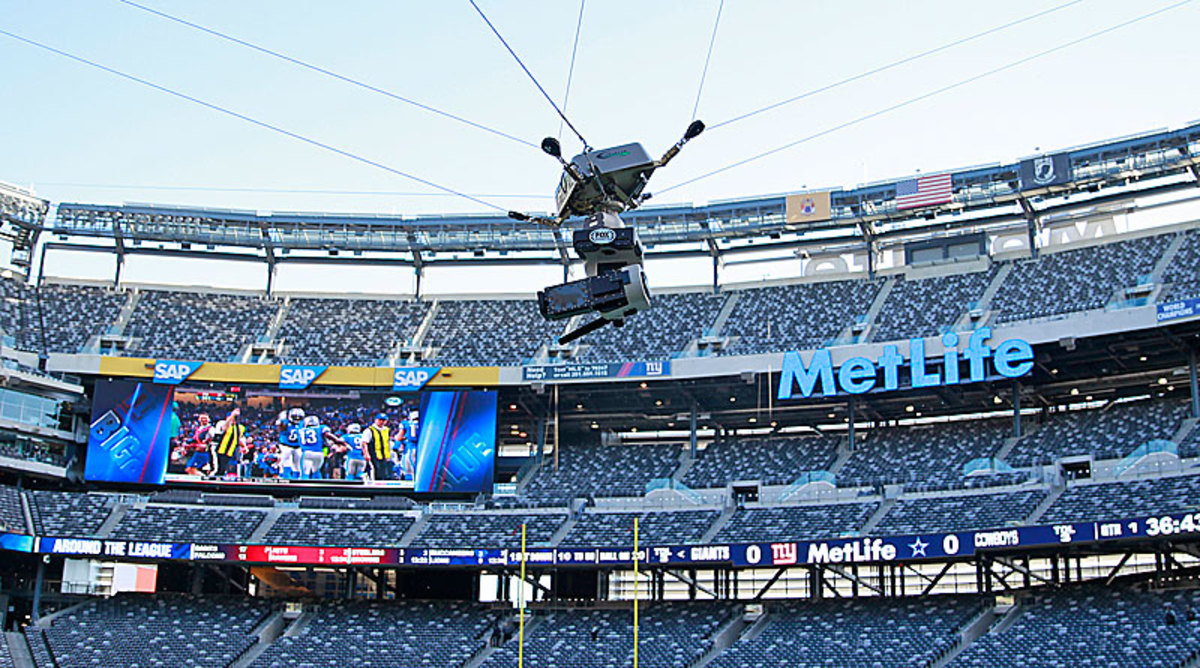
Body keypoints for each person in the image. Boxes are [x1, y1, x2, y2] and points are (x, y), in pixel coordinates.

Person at [209, 408, 245, 478]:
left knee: (223, 469)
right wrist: (232, 416)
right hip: (219, 449)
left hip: (230, 451)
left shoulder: (239, 427)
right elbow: (224, 428)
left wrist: (244, 447)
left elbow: (238, 438)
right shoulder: (222, 423)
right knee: (217, 468)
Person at [364, 413, 396, 481]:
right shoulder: (369, 430)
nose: (382, 422)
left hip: (385, 455)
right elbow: (364, 442)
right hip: (374, 455)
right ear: (376, 420)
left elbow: (388, 442)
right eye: (380, 420)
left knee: (385, 473)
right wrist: (366, 453)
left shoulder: (386, 430)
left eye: (384, 420)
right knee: (376, 471)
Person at [276, 407, 305, 480]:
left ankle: (296, 478)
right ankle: (286, 477)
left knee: (297, 464)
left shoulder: (302, 423)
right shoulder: (285, 423)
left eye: (299, 417)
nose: (297, 419)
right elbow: (280, 429)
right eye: (295, 417)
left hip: (297, 446)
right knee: (286, 461)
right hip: (286, 445)